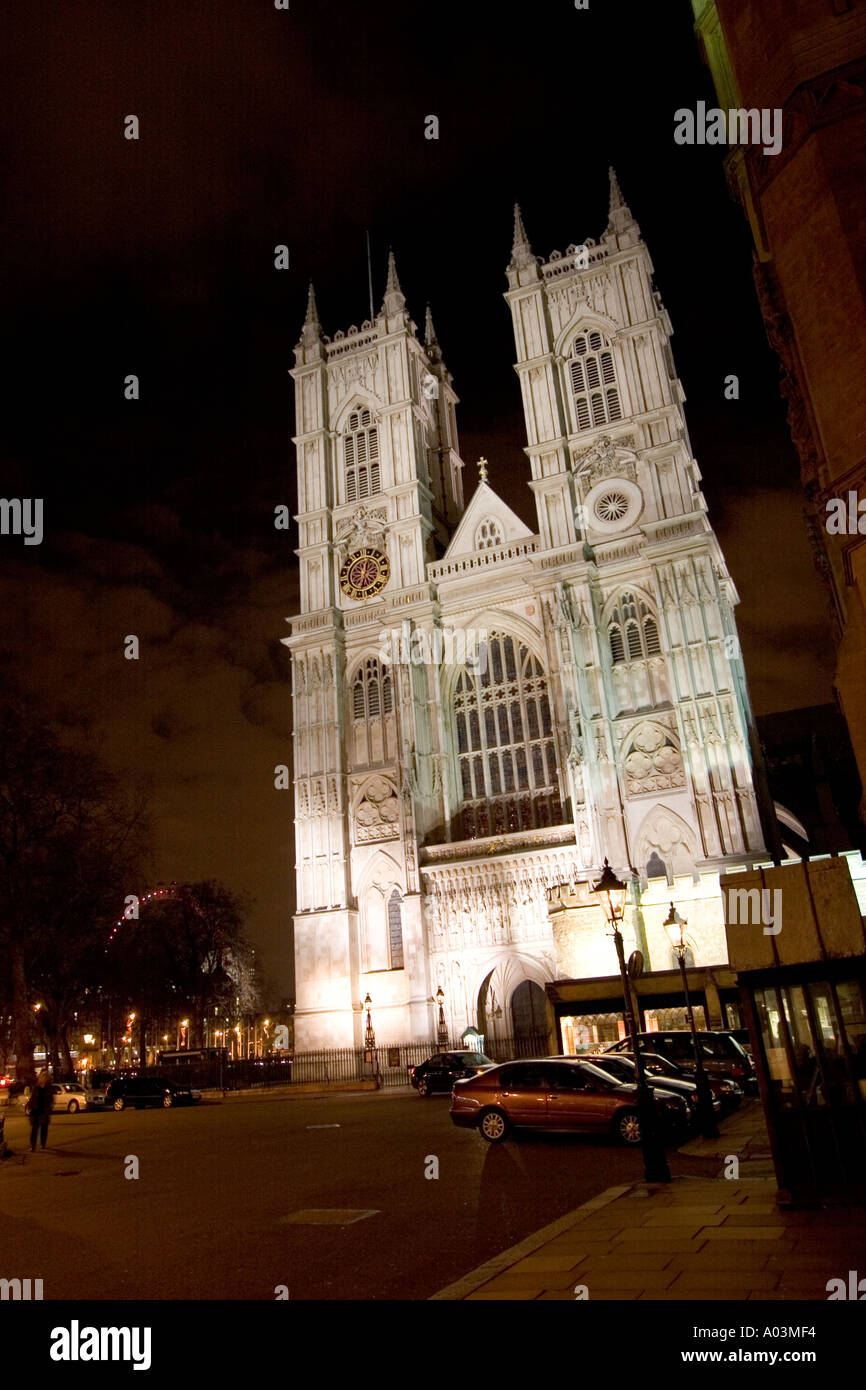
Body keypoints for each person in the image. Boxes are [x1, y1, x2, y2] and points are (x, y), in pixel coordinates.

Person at [26, 1070, 54, 1152]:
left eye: (46, 1078)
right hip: (36, 1110)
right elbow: (33, 1098)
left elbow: (50, 1100)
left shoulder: (49, 1088)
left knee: (44, 1128)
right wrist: (31, 1107)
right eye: (43, 1077)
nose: (44, 1079)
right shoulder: (36, 1087)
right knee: (34, 1129)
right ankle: (32, 1145)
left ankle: (42, 1143)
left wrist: (49, 1109)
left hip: (44, 1110)